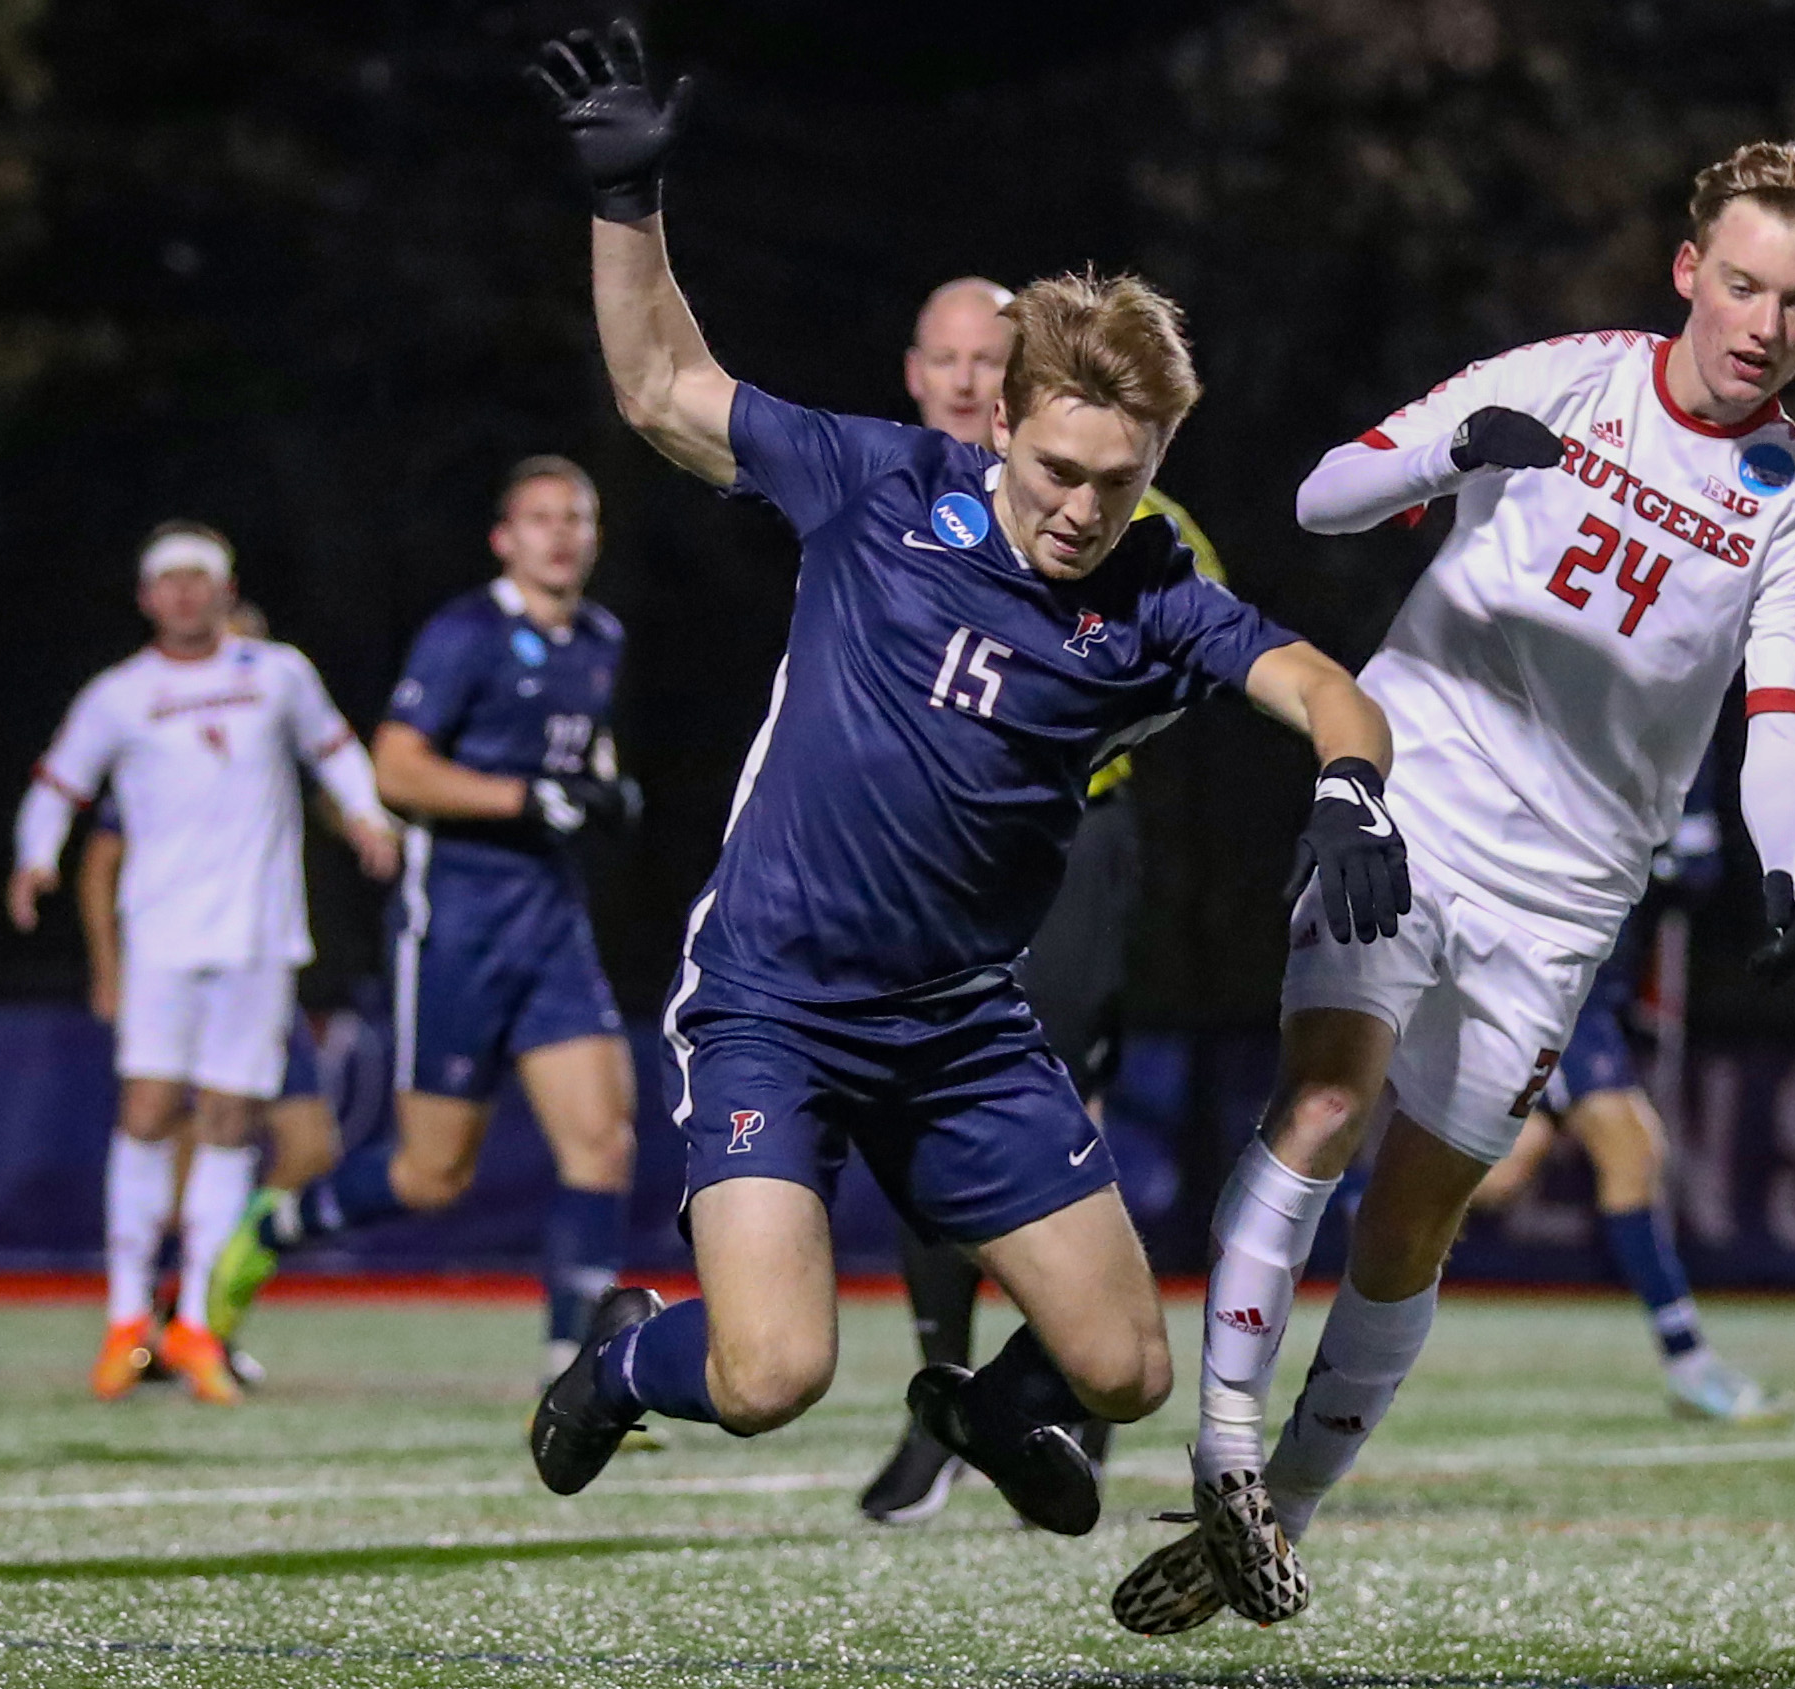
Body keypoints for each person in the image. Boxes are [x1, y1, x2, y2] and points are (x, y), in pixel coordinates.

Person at [518, 22, 1405, 1540]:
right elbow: (664, 387)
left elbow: (1329, 688)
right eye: (1057, 470)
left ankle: (984, 1412)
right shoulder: (878, 485)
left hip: (957, 1026)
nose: (1079, 508)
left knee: (1126, 1371)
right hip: (774, 1000)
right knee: (769, 1373)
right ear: (1000, 419)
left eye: (1116, 482)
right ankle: (620, 1364)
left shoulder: (1155, 595)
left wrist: (1350, 787)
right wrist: (625, 210)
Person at [1113, 140, 1795, 1635]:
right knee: (1326, 1103)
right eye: (1740, 283)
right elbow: (1323, 496)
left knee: (1415, 1216)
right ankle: (1222, 1446)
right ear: (1688, 270)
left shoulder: (1792, 506)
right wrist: (1446, 453)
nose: (1759, 322)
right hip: (1404, 803)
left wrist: (1791, 865)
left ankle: (1271, 1513)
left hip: (1565, 902)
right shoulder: (1565, 378)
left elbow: (1782, 724)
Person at [861, 276, 1239, 1527]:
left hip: (1068, 838)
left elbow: (1208, 650)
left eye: (992, 358)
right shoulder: (892, 500)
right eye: (950, 358)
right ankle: (941, 1399)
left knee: (1046, 1101)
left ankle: (1045, 1392)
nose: (969, 380)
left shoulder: (1131, 510)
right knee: (906, 1101)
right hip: (912, 843)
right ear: (918, 373)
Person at [205, 457, 644, 1382]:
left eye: (577, 516)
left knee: (603, 1141)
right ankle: (273, 1227)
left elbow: (578, 759)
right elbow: (396, 770)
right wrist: (525, 800)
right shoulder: (466, 633)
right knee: (431, 1176)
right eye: (539, 518)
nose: (561, 533)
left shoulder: (598, 638)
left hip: (550, 924)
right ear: (504, 538)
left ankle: (577, 1370)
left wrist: (600, 791)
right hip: (457, 927)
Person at [9, 522, 398, 1404]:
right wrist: (37, 856)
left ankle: (192, 1333)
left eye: (200, 579)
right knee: (148, 1112)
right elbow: (58, 784)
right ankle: (122, 1322)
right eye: (168, 582)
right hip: (161, 938)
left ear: (225, 590)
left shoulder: (278, 674)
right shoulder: (121, 695)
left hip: (259, 938)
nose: (184, 595)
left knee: (231, 1125)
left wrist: (368, 814)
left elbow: (334, 750)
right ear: (148, 598)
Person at [1468, 759, 1790, 1423]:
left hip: (1599, 985)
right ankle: (1690, 1364)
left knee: (1502, 1172)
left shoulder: (1684, 747)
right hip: (1554, 977)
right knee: (1632, 1150)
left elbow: (1697, 874)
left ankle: (1326, 1208)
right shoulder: (1579, 728)